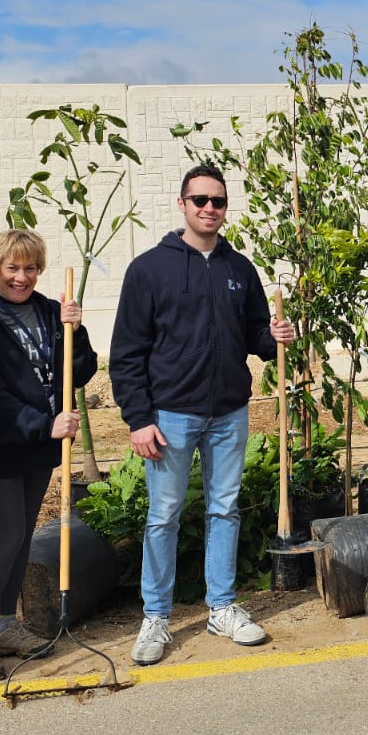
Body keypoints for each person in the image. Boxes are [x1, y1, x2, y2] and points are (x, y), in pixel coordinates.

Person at [111, 164, 295, 664]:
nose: (209, 208)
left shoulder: (240, 269)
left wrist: (272, 338)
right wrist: (137, 417)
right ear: (182, 204)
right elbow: (127, 351)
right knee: (164, 515)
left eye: (217, 201)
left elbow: (255, 334)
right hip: (169, 414)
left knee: (224, 509)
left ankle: (221, 607)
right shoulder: (149, 269)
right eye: (200, 200)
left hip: (229, 410)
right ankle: (156, 617)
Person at [0, 229, 97, 681]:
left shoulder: (50, 312)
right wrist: (42, 424)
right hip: (2, 440)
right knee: (8, 534)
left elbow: (82, 368)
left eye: (30, 267)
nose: (21, 276)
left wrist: (76, 328)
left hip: (41, 441)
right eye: (12, 268)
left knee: (23, 534)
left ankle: (5, 625)